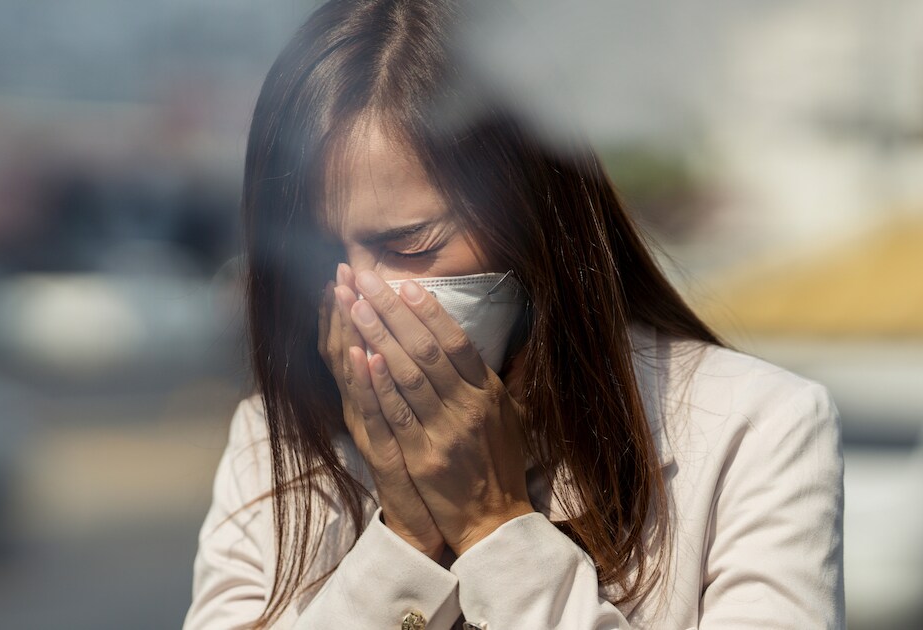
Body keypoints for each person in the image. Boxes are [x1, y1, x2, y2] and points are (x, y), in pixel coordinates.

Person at [183, 1, 845, 628]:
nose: (360, 293)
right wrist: (406, 545)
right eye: (324, 254)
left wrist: (493, 528)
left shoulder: (754, 434)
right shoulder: (279, 447)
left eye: (408, 244)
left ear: (532, 224)